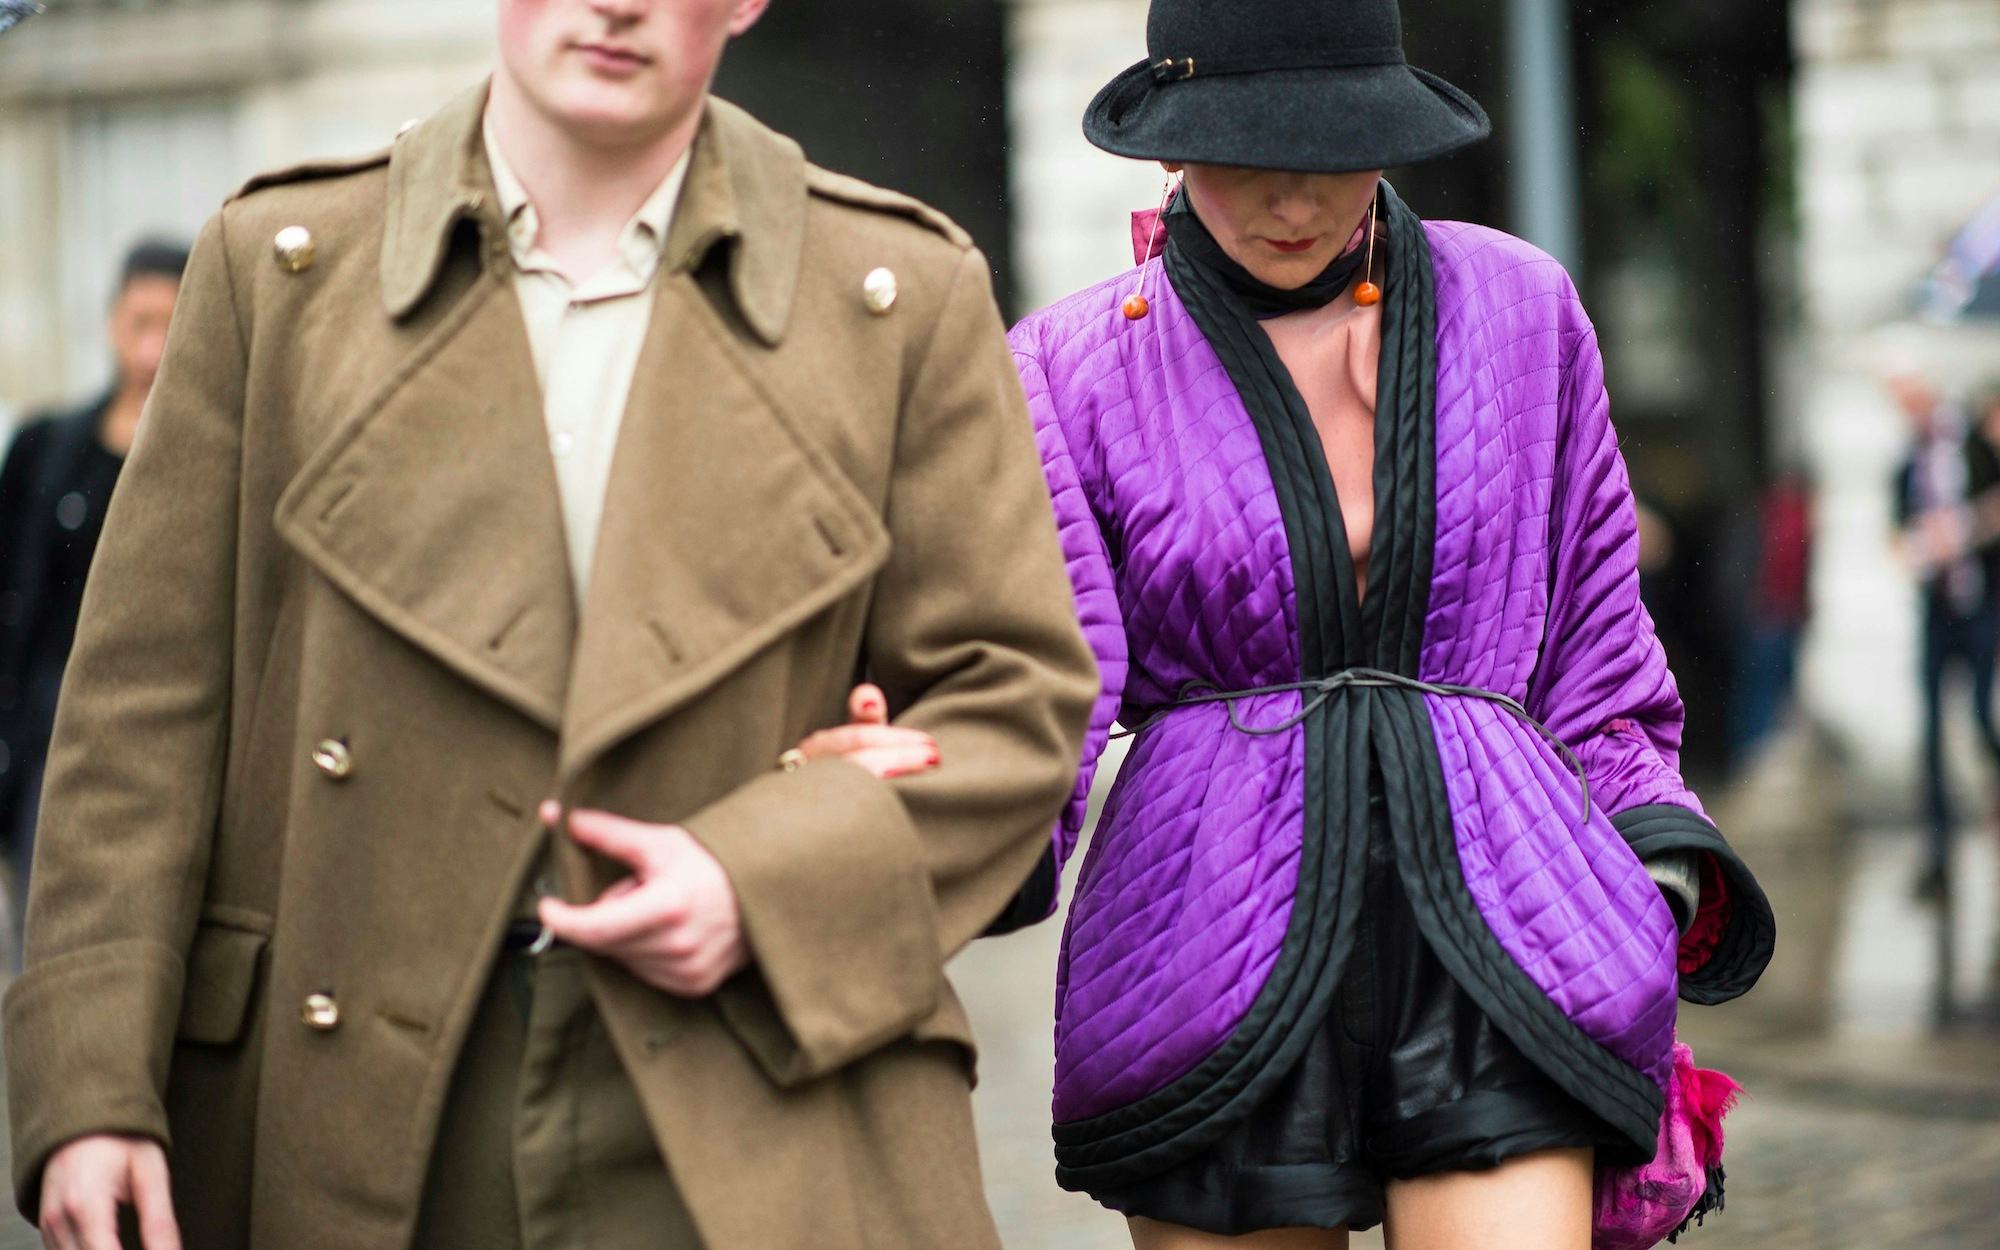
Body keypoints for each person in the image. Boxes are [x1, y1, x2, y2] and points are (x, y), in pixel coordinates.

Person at [1, 1, 1098, 1247]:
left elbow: (1013, 699)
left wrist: (766, 873)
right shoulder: (280, 269)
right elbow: (140, 718)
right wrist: (91, 1083)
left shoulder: (892, 295)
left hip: (756, 1089)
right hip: (349, 1090)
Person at [891, 2, 1775, 1246]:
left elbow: (1592, 634)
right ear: (1169, 147)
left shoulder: (1519, 305)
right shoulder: (1068, 366)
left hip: (1501, 906)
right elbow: (1050, 683)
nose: (1292, 202)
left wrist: (1649, 860)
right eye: (1247, 157)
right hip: (1203, 931)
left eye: (1333, 152)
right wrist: (917, 860)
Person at [0, 238, 188, 961]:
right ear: (112, 323)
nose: (151, 347)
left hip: (157, 736)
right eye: (139, 323)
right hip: (50, 738)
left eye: (170, 325)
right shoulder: (49, 448)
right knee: (46, 945)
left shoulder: (205, 457)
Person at [1890, 372, 2000, 901]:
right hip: (1937, 614)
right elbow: (1896, 536)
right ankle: (1937, 854)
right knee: (1932, 735)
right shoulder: (1906, 465)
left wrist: (1960, 530)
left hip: (1980, 606)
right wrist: (1917, 548)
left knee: (1983, 717)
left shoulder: (1975, 448)